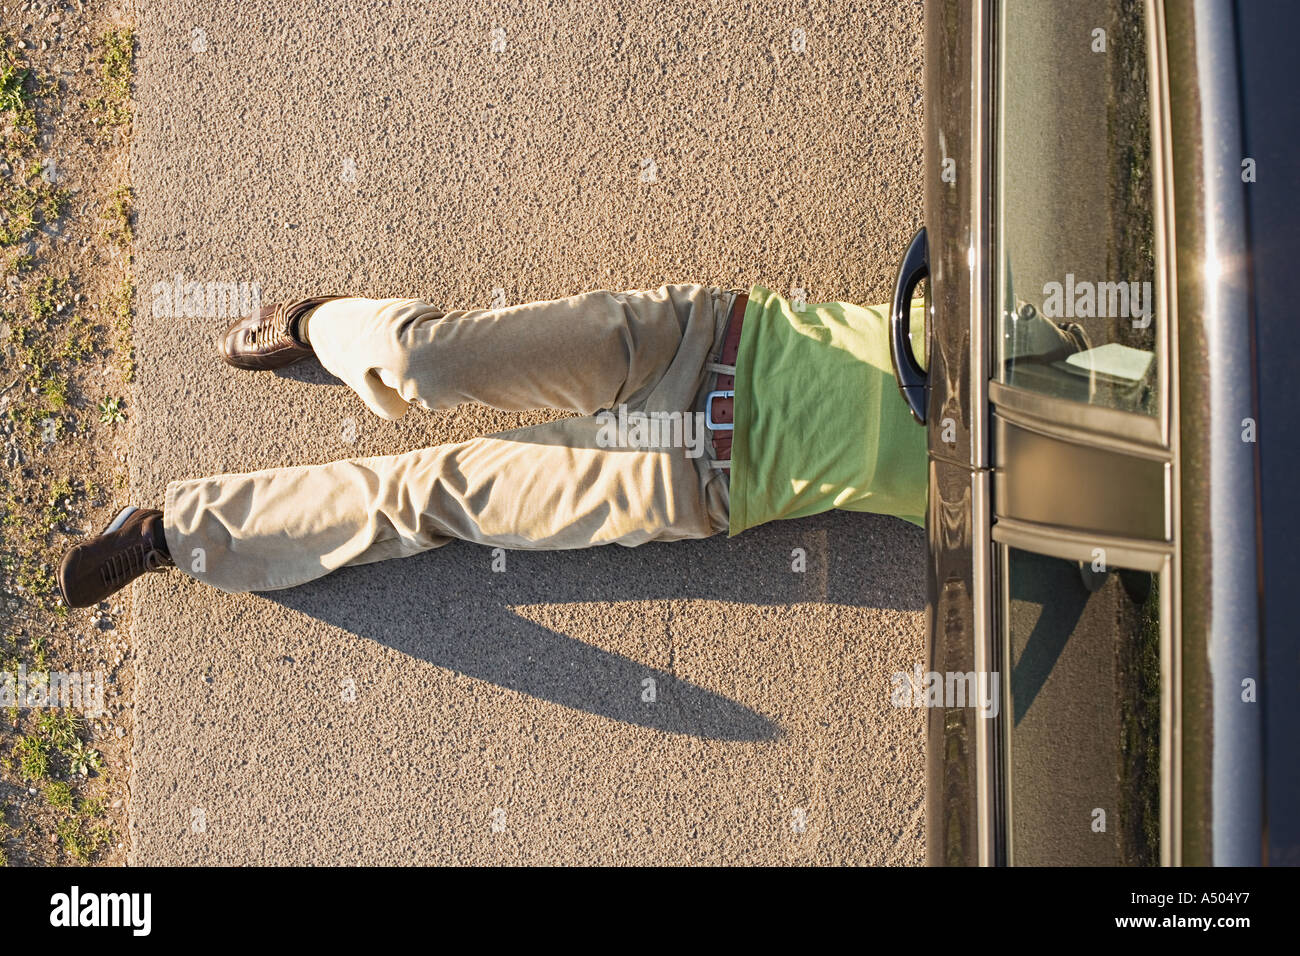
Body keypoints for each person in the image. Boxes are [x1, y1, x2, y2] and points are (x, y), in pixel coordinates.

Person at [56, 284, 933, 607]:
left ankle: (172, 533)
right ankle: (317, 323)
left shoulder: (1009, 507)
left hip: (694, 482)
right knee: (424, 358)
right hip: (703, 341)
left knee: (428, 496)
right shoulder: (1017, 340)